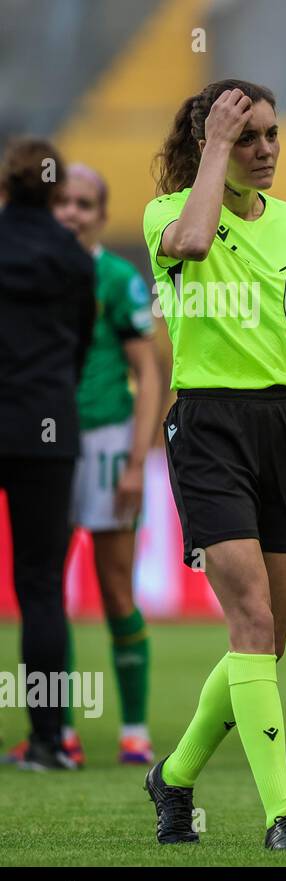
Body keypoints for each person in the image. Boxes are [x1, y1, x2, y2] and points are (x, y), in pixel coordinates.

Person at [140, 79, 286, 851]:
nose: (267, 149)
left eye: (272, 134)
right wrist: (214, 147)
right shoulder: (169, 217)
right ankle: (283, 815)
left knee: (267, 639)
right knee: (247, 620)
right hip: (209, 424)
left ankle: (173, 774)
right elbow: (193, 244)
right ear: (212, 142)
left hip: (284, 427)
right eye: (248, 137)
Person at [53, 164, 162, 766]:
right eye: (62, 202)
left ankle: (135, 731)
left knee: (116, 589)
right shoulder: (31, 275)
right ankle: (59, 733)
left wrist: (136, 461)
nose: (72, 213)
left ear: (102, 214)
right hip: (45, 447)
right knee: (47, 592)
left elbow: (149, 372)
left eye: (85, 204)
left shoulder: (118, 279)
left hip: (106, 441)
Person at [0, 137, 96, 771]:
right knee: (40, 589)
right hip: (47, 428)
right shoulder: (73, 257)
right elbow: (81, 346)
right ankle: (47, 740)